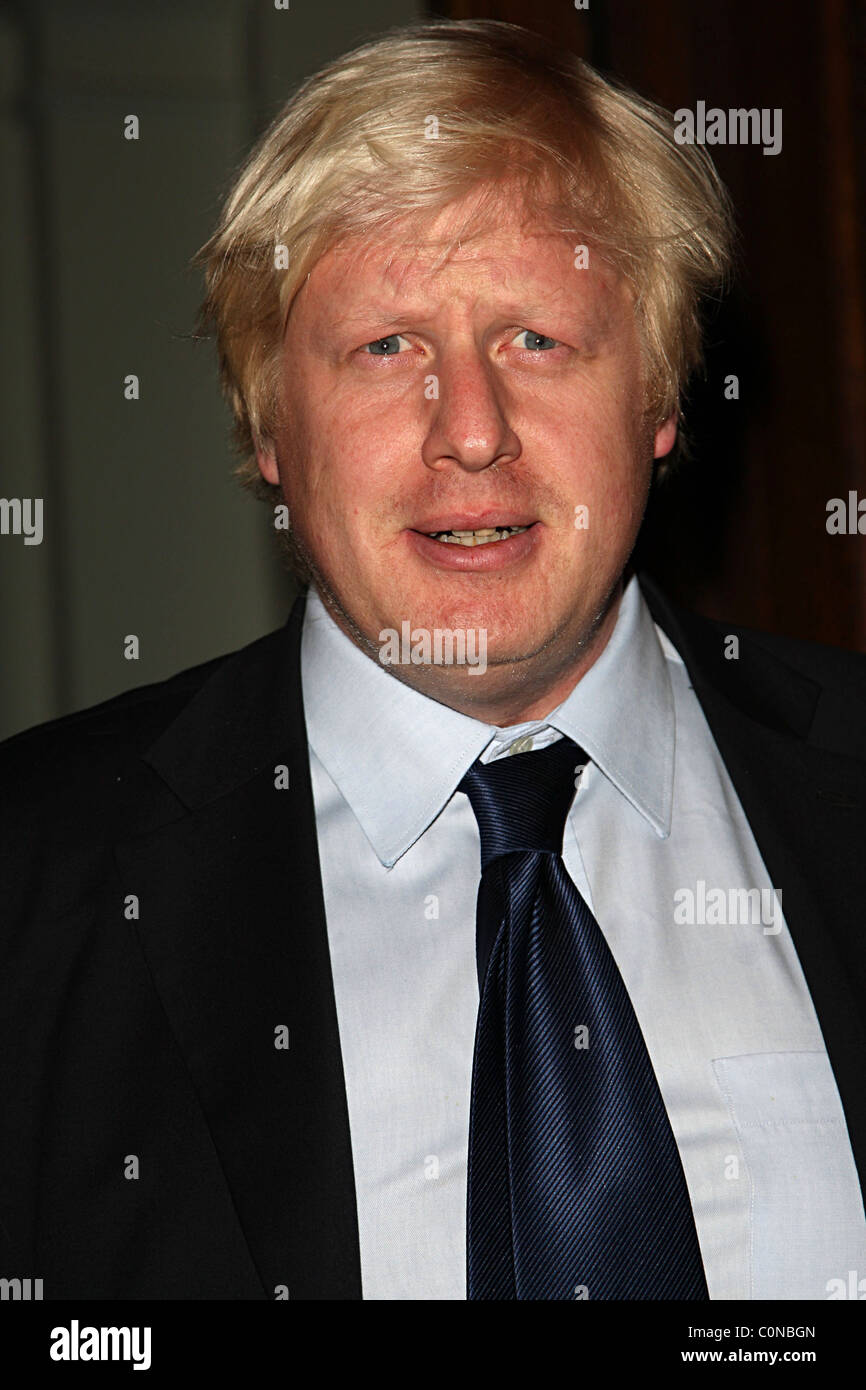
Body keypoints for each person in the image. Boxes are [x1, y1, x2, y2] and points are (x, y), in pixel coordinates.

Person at [1, 19, 864, 1302]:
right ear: (267, 424)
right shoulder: (35, 879)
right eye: (385, 346)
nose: (469, 430)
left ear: (658, 397)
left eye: (536, 339)